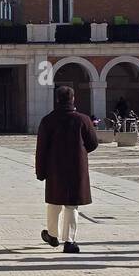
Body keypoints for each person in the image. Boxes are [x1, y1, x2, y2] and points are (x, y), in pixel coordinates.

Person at [34, 85, 98, 254]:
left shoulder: (48, 120)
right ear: (73, 99)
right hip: (77, 167)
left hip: (54, 168)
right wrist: (81, 152)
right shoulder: (83, 120)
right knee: (71, 204)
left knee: (54, 202)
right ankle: (69, 241)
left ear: (57, 99)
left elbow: (41, 149)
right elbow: (93, 143)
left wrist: (40, 171)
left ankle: (53, 235)